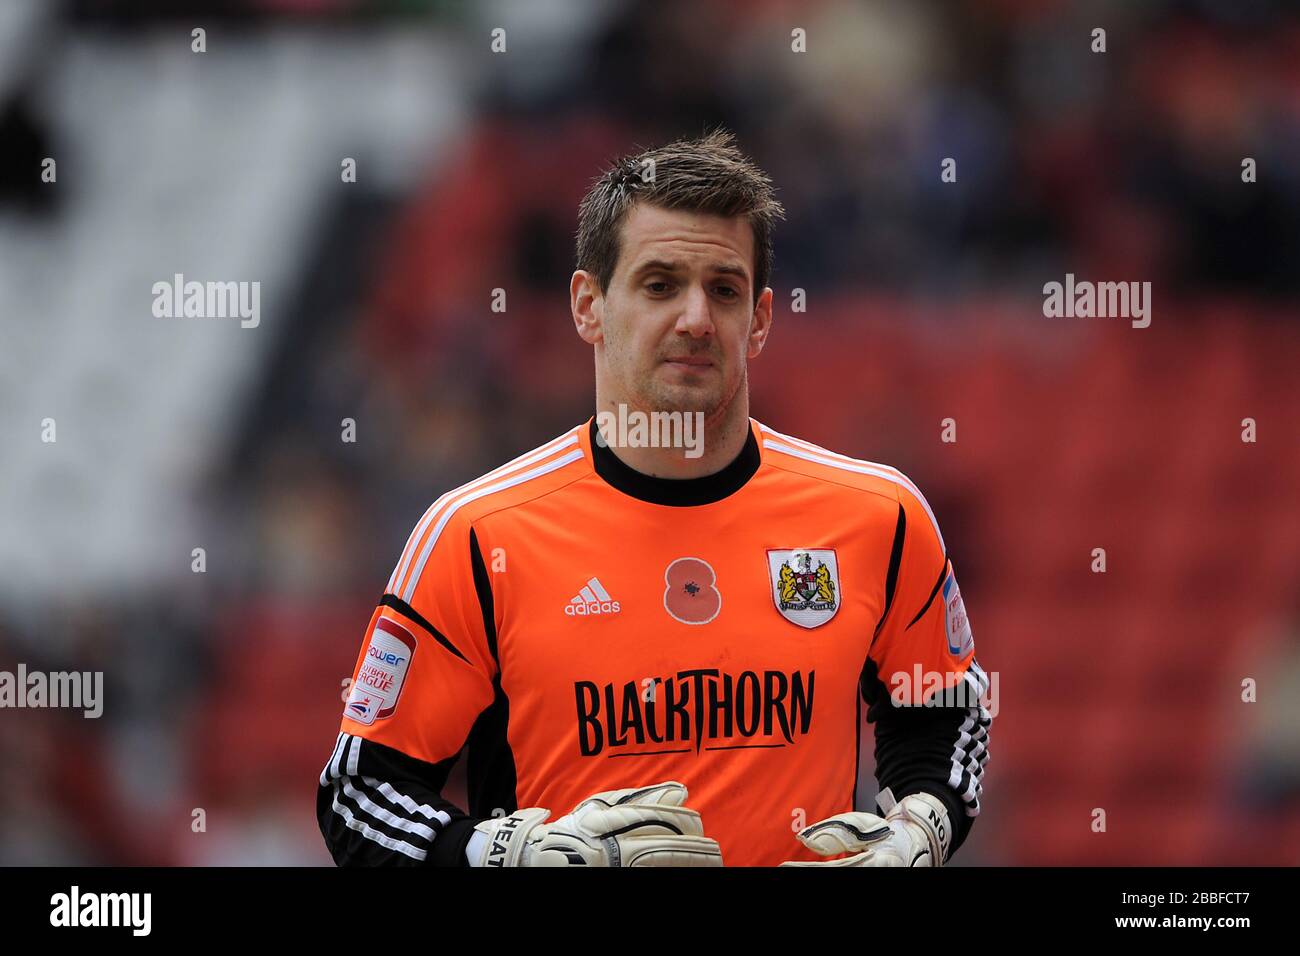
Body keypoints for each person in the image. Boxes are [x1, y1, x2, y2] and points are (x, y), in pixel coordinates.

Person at [317, 130, 990, 867]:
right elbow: (358, 794)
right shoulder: (476, 537)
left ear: (759, 319)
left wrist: (916, 833)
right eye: (660, 283)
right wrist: (512, 854)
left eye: (724, 289)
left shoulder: (877, 517)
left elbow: (945, 714)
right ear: (588, 306)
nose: (696, 319)